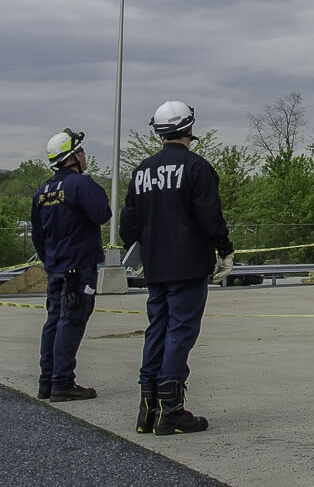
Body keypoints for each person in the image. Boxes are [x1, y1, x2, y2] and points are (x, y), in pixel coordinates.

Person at [120, 101, 233, 436]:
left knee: (157, 328)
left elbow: (129, 224)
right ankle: (172, 410)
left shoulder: (142, 170)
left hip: (154, 266)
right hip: (188, 264)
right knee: (181, 331)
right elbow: (209, 215)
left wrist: (142, 253)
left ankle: (148, 407)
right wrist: (224, 249)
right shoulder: (197, 168)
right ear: (189, 127)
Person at [31, 128, 111, 403]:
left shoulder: (43, 191)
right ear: (74, 156)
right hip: (79, 267)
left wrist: (50, 261)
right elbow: (102, 213)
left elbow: (37, 235)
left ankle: (47, 381)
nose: (85, 155)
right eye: (82, 151)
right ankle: (63, 382)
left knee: (53, 320)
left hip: (55, 267)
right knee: (72, 320)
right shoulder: (79, 185)